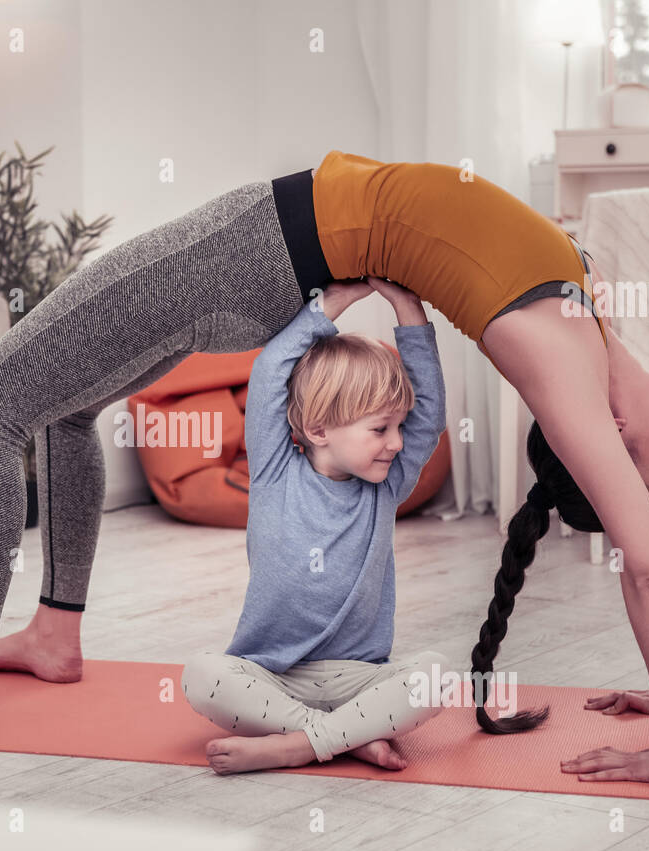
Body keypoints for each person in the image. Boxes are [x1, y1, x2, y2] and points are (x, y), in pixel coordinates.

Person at [0, 151, 649, 786]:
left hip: (258, 249)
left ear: (613, 434)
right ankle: (54, 636)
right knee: (63, 405)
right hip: (275, 245)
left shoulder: (566, 371)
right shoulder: (590, 331)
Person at [181, 276, 449, 775]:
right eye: (380, 428)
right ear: (319, 430)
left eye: (397, 427)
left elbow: (429, 417)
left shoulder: (385, 485)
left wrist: (408, 309)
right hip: (271, 675)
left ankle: (295, 746)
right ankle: (350, 738)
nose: (396, 442)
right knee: (202, 675)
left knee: (437, 675)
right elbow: (269, 373)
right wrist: (336, 301)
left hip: (359, 678)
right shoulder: (273, 472)